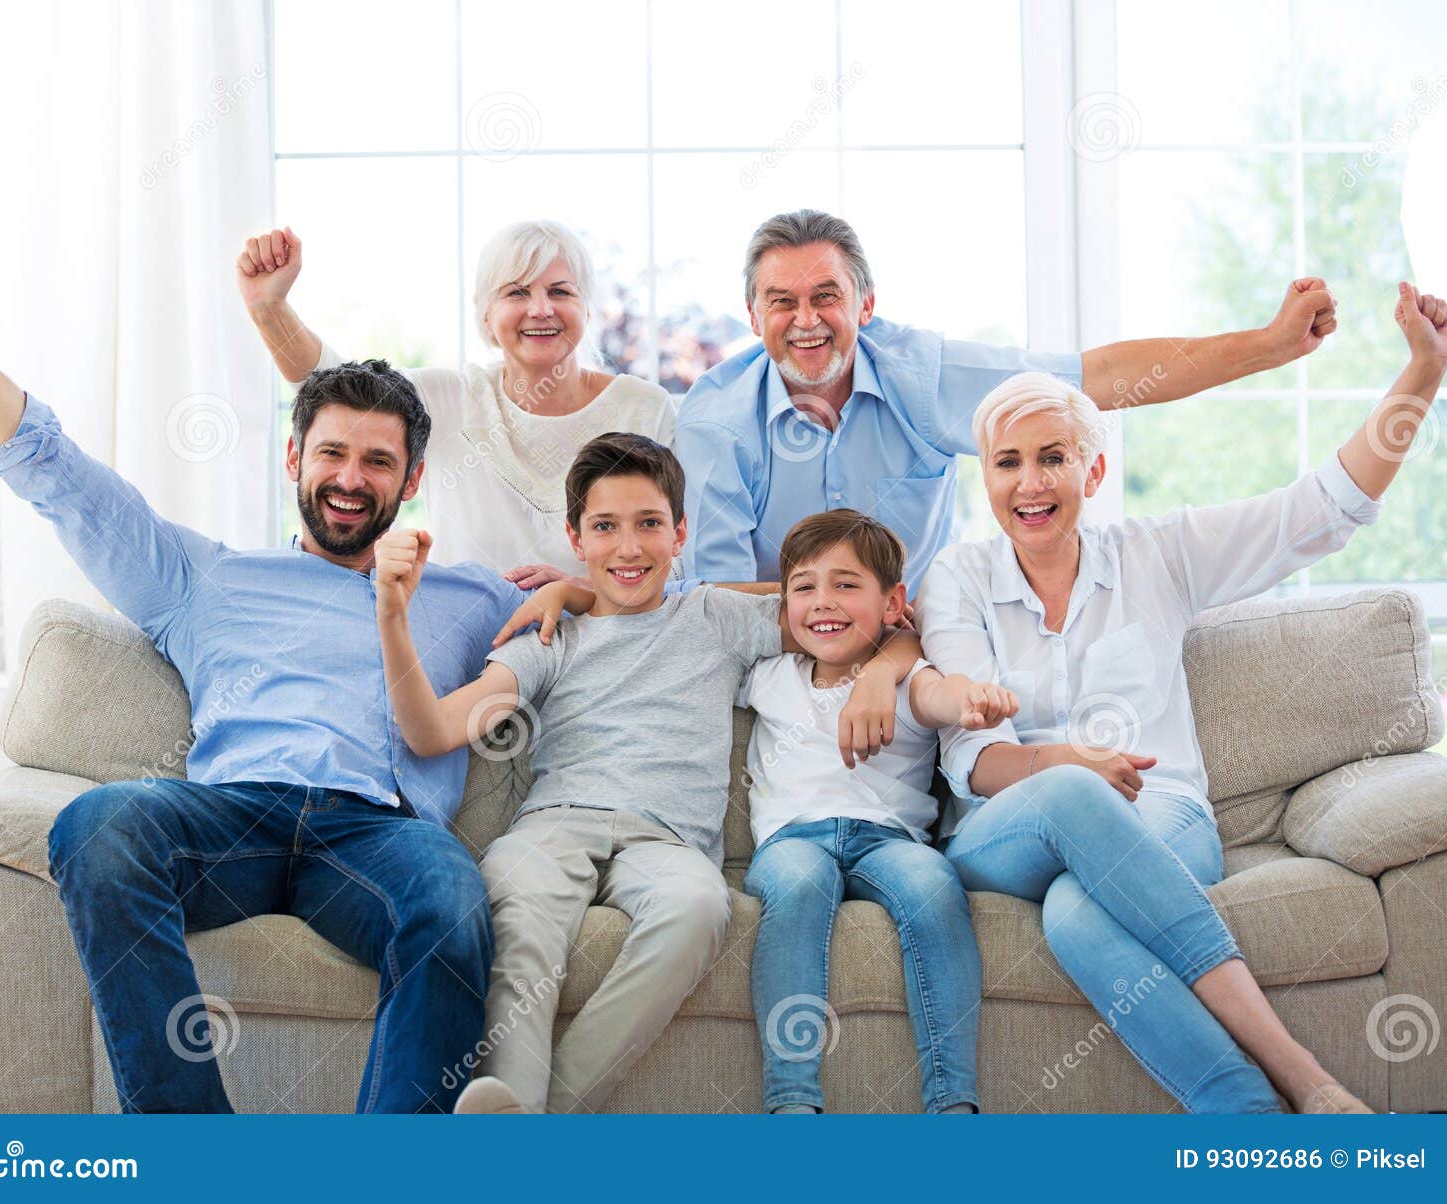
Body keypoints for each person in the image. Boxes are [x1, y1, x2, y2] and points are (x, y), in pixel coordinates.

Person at [0, 232, 590, 1113]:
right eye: (332, 454)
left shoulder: (469, 594)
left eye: (378, 462)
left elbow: (647, 591)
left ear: (414, 479)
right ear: (294, 459)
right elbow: (53, 469)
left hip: (378, 834)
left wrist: (580, 587)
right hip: (230, 815)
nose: (350, 480)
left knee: (451, 900)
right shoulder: (205, 575)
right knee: (99, 825)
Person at [918, 282, 1447, 1113]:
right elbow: (976, 762)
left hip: (1162, 814)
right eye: (1008, 462)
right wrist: (1067, 762)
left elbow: (1323, 511)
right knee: (1064, 787)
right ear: (984, 478)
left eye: (1053, 457)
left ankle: (1249, 1122)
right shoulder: (957, 578)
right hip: (1005, 835)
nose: (1031, 483)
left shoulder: (1157, 555)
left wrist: (1422, 371)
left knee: (1074, 913)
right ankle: (1304, 1073)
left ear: (1091, 470)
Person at [372, 434, 918, 1114]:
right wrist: (392, 614)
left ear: (680, 533)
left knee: (699, 909)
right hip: (554, 826)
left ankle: (531, 1120)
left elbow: (848, 606)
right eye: (605, 528)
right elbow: (431, 732)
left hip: (671, 843)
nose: (628, 548)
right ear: (575, 537)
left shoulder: (715, 617)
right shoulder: (547, 639)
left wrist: (885, 672)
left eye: (649, 525)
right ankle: (510, 1101)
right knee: (520, 925)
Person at [674, 208, 1344, 592]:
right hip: (777, 657)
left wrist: (1270, 344)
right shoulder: (715, 421)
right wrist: (844, 618)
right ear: (752, 314)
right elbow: (718, 605)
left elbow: (1098, 378)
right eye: (781, 302)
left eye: (827, 296)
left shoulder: (920, 376)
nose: (806, 320)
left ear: (867, 306)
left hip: (920, 648)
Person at [740, 509, 1018, 1115]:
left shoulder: (909, 675)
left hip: (889, 841)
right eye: (804, 587)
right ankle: (791, 1102)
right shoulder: (768, 673)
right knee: (799, 882)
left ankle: (952, 1104)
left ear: (893, 603)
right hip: (793, 840)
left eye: (846, 584)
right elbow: (702, 607)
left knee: (933, 886)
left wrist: (971, 698)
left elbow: (940, 694)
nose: (822, 603)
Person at [238, 220, 675, 586]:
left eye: (560, 292)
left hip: (604, 650)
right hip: (470, 660)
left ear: (587, 308)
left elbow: (678, 562)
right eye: (517, 293)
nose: (541, 309)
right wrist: (268, 306)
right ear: (486, 315)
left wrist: (584, 592)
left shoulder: (644, 409)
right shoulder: (449, 398)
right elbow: (336, 390)